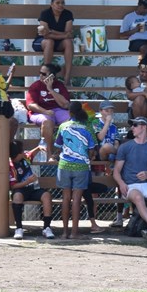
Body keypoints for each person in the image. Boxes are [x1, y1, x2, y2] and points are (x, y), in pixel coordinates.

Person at [113, 117, 147, 242]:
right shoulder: (125, 147)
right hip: (130, 185)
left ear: (143, 127)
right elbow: (116, 171)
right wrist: (121, 184)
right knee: (138, 198)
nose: (132, 127)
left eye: (135, 125)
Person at [53, 101, 97, 240]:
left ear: (69, 113)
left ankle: (64, 232)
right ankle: (74, 233)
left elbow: (58, 145)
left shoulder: (63, 126)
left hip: (64, 165)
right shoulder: (87, 127)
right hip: (82, 166)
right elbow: (92, 150)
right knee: (77, 200)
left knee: (65, 199)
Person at [8, 141, 55, 240]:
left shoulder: (25, 158)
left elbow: (30, 154)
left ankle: (47, 227)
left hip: (33, 189)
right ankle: (19, 228)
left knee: (46, 196)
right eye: (22, 151)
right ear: (18, 153)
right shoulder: (11, 166)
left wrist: (38, 148)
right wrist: (27, 181)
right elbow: (13, 186)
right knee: (17, 197)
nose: (24, 152)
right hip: (20, 190)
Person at [25, 61, 72, 150]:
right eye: (40, 73)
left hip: (58, 111)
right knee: (47, 122)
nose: (40, 76)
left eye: (43, 74)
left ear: (52, 76)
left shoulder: (59, 85)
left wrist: (50, 89)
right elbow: (31, 105)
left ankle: (65, 151)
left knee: (71, 121)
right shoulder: (35, 86)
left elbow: (66, 105)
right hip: (39, 112)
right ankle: (48, 154)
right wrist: (45, 111)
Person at [36, 0, 75, 84]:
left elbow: (68, 34)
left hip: (59, 43)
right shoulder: (45, 13)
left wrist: (52, 31)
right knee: (50, 42)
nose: (60, 5)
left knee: (68, 42)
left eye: (62, 3)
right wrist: (63, 35)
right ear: (51, 4)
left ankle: (67, 77)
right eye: (57, 3)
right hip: (42, 41)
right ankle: (46, 75)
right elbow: (45, 35)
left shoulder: (68, 14)